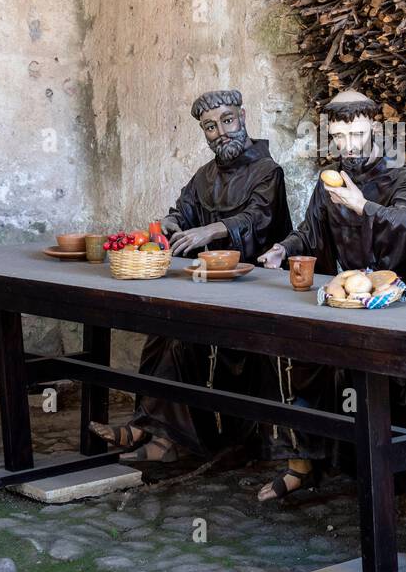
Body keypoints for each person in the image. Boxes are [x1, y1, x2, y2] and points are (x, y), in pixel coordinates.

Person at [89, 89, 292, 462]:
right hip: (208, 286)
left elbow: (258, 220)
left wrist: (212, 230)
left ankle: (160, 439)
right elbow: (181, 211)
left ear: (243, 117)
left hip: (254, 288)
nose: (221, 133)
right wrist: (170, 223)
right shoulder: (204, 176)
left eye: (227, 121)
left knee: (182, 340)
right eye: (210, 127)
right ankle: (147, 428)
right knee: (161, 331)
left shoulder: (268, 172)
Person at [255, 91, 406, 500]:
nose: (347, 145)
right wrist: (285, 248)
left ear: (376, 127)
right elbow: (310, 232)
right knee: (297, 354)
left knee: (377, 373)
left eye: (356, 133)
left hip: (394, 306)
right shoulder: (327, 181)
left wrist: (363, 205)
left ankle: (384, 473)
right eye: (338, 136)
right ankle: (303, 462)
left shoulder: (404, 179)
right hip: (340, 301)